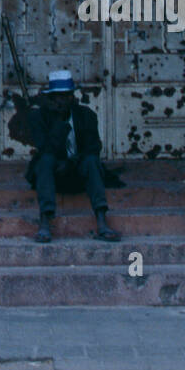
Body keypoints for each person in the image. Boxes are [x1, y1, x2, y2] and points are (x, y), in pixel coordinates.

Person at [25, 69, 120, 244]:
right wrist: (60, 123)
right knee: (45, 162)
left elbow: (94, 147)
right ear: (51, 98)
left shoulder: (86, 115)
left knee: (92, 162)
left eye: (68, 95)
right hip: (54, 172)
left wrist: (72, 162)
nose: (65, 100)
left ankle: (101, 221)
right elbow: (45, 148)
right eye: (59, 96)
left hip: (78, 169)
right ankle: (45, 222)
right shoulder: (38, 117)